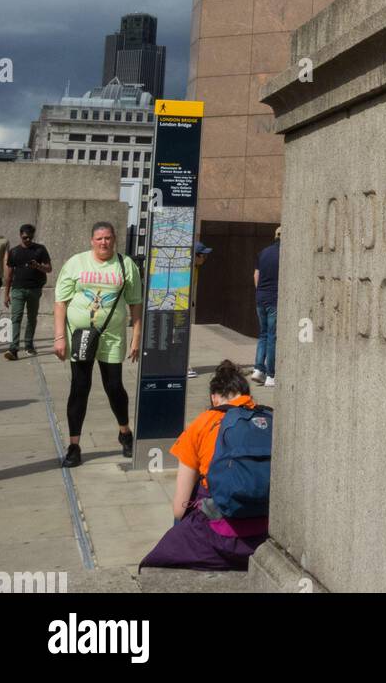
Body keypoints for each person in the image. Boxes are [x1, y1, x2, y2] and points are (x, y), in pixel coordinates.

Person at [138, 360, 271, 572]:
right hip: (266, 538)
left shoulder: (203, 423)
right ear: (248, 396)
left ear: (214, 397)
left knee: (153, 563)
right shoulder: (269, 420)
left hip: (218, 538)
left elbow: (179, 508)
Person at [53, 221, 143, 468]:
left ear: (115, 240)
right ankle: (74, 445)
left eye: (108, 238)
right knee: (80, 387)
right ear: (92, 240)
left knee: (114, 386)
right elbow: (60, 301)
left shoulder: (126, 265)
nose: (104, 242)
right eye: (99, 238)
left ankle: (124, 432)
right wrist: (59, 336)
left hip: (112, 338)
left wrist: (136, 336)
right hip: (80, 336)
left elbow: (135, 302)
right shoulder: (76, 263)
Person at [4, 224, 52, 360]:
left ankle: (29, 345)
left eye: (30, 238)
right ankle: (13, 349)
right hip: (17, 289)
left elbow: (49, 269)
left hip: (34, 290)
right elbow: (9, 275)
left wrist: (37, 265)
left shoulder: (40, 250)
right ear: (20, 235)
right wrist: (6, 294)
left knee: (32, 318)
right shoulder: (14, 252)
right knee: (16, 318)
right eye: (25, 237)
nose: (28, 240)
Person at [250, 226, 280, 387]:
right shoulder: (284, 253)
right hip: (274, 298)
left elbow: (256, 276)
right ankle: (271, 374)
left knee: (263, 335)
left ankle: (258, 369)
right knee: (272, 336)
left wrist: (260, 293)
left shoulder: (263, 252)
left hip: (260, 297)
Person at [187, 240, 212, 379]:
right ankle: (184, 367)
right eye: (203, 255)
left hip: (186, 305)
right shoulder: (187, 268)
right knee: (179, 337)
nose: (205, 258)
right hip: (180, 307)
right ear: (196, 255)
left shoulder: (195, 267)